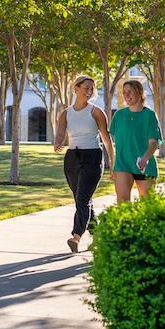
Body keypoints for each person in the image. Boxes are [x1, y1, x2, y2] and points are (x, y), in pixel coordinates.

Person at [53, 75, 114, 253]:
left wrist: (113, 161)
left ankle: (76, 236)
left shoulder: (95, 112)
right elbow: (61, 132)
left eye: (91, 89)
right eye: (86, 87)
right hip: (72, 158)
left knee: (82, 200)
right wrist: (57, 143)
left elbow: (106, 138)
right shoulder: (66, 113)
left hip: (93, 157)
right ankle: (97, 235)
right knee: (82, 200)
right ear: (76, 88)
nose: (89, 91)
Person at [109, 80, 161, 203]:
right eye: (124, 92)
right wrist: (112, 163)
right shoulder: (119, 115)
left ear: (140, 93)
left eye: (130, 92)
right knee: (122, 203)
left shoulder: (149, 115)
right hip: (122, 164)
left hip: (144, 165)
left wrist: (145, 158)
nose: (126, 95)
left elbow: (154, 142)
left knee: (147, 205)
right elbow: (113, 141)